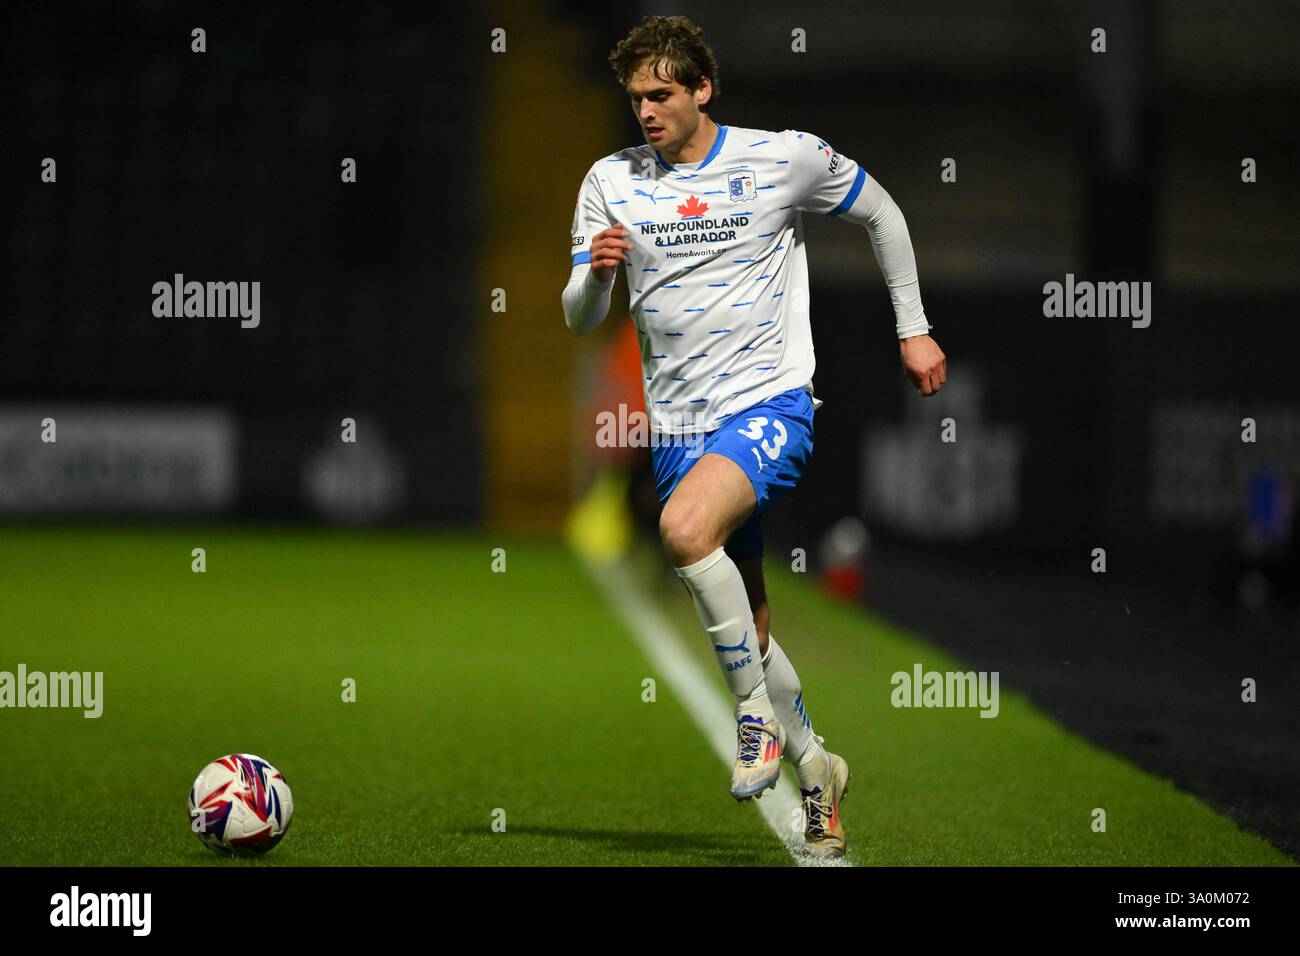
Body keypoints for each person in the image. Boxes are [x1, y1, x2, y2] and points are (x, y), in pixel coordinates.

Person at [561, 14, 946, 860]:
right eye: (635, 99)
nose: (648, 112)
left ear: (704, 89)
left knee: (682, 530)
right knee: (753, 625)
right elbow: (579, 315)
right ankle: (819, 775)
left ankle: (754, 722)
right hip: (680, 427)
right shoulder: (610, 181)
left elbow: (881, 212)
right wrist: (595, 273)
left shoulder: (782, 158)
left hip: (770, 405)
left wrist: (911, 329)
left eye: (662, 95)